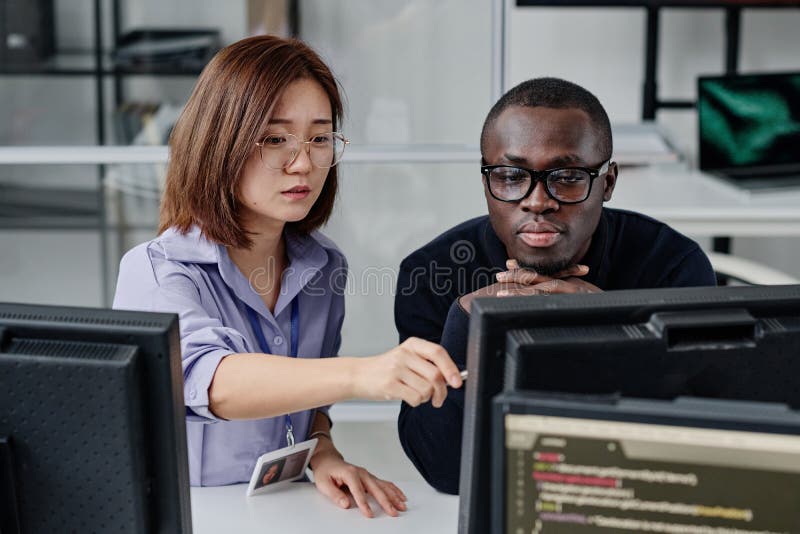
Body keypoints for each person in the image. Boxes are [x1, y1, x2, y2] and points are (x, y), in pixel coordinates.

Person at [112, 35, 463, 518]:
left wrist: (323, 454)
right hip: (194, 513)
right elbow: (209, 382)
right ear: (219, 143)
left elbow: (308, 396)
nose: (303, 163)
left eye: (319, 138)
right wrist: (364, 373)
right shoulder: (156, 270)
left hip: (286, 508)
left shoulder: (324, 265)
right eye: (275, 138)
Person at [395, 77, 717, 495]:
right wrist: (465, 327)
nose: (536, 200)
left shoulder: (673, 266)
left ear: (608, 182)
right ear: (486, 182)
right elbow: (442, 470)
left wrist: (618, 327)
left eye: (566, 176)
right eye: (510, 176)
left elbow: (692, 453)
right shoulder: (432, 272)